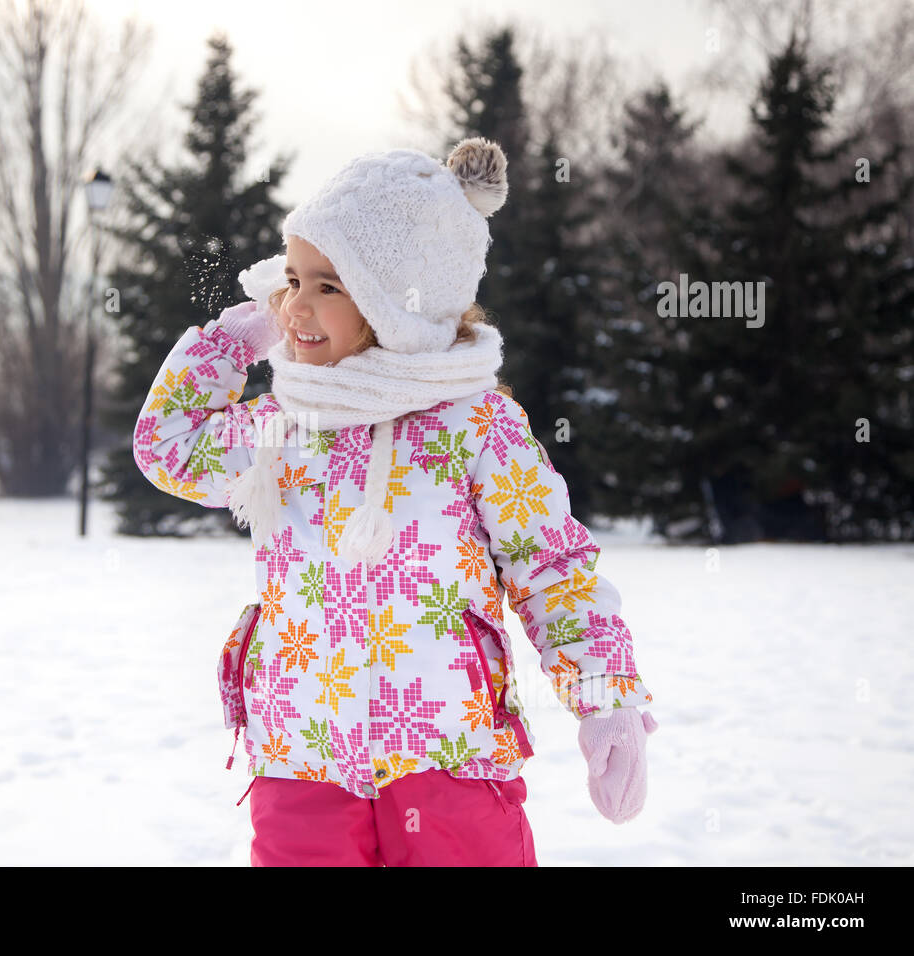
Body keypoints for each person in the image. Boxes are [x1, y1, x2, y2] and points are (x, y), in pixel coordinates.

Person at [133, 138, 658, 867]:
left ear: (395, 302)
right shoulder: (284, 422)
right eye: (291, 280)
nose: (296, 307)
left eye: (330, 285)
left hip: (450, 754)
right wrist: (233, 338)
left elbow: (552, 569)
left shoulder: (474, 427)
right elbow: (168, 447)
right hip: (301, 754)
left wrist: (606, 699)